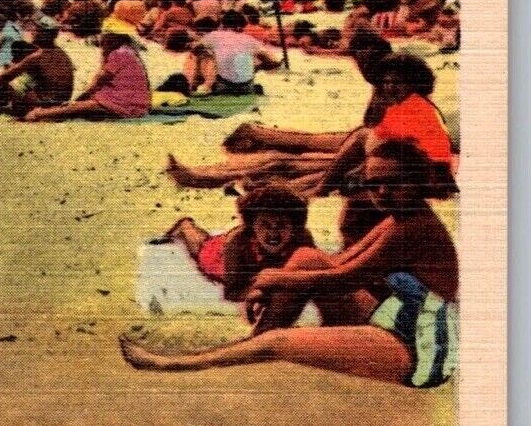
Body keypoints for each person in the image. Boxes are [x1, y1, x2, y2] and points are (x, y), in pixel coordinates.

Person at [122, 140, 458, 389]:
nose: (381, 192)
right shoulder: (399, 218)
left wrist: (272, 281)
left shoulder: (414, 228)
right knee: (306, 259)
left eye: (394, 183)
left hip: (418, 349)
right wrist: (276, 282)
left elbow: (343, 279)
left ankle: (171, 364)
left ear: (417, 181)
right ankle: (255, 343)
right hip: (393, 319)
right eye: (373, 184)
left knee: (279, 342)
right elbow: (337, 262)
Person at [159, 182, 319, 325]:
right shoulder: (236, 241)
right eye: (265, 225)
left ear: (293, 227)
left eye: (281, 225)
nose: (273, 233)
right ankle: (185, 225)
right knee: (202, 247)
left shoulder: (303, 237)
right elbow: (231, 292)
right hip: (221, 256)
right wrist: (263, 292)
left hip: (258, 265)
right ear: (253, 226)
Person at [23, 20, 150, 121]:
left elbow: (98, 82)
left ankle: (40, 114)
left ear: (113, 38)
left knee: (78, 107)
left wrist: (79, 99)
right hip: (135, 103)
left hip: (125, 103)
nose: (102, 41)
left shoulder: (119, 54)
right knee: (81, 106)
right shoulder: (128, 51)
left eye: (105, 37)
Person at [0, 19, 74, 117]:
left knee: (1, 85)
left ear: (45, 34)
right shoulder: (62, 54)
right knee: (17, 82)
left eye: (36, 30)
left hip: (43, 104)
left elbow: (3, 77)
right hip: (59, 102)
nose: (32, 33)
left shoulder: (38, 56)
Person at [186, 9, 279, 95]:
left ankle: (196, 85)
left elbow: (195, 49)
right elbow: (273, 62)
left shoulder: (214, 35)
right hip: (247, 87)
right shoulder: (249, 40)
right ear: (241, 26)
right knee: (247, 59)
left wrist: (213, 54)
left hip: (223, 87)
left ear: (223, 24)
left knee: (199, 54)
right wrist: (258, 67)